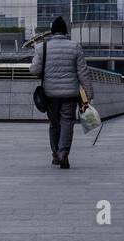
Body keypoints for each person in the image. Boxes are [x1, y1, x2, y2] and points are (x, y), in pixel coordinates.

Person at [29, 16, 95, 169]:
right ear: (65, 31)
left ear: (52, 32)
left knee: (54, 124)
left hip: (50, 94)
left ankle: (55, 154)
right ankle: (63, 152)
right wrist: (89, 93)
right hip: (70, 95)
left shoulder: (42, 48)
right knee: (67, 123)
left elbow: (34, 70)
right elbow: (83, 73)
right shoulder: (75, 47)